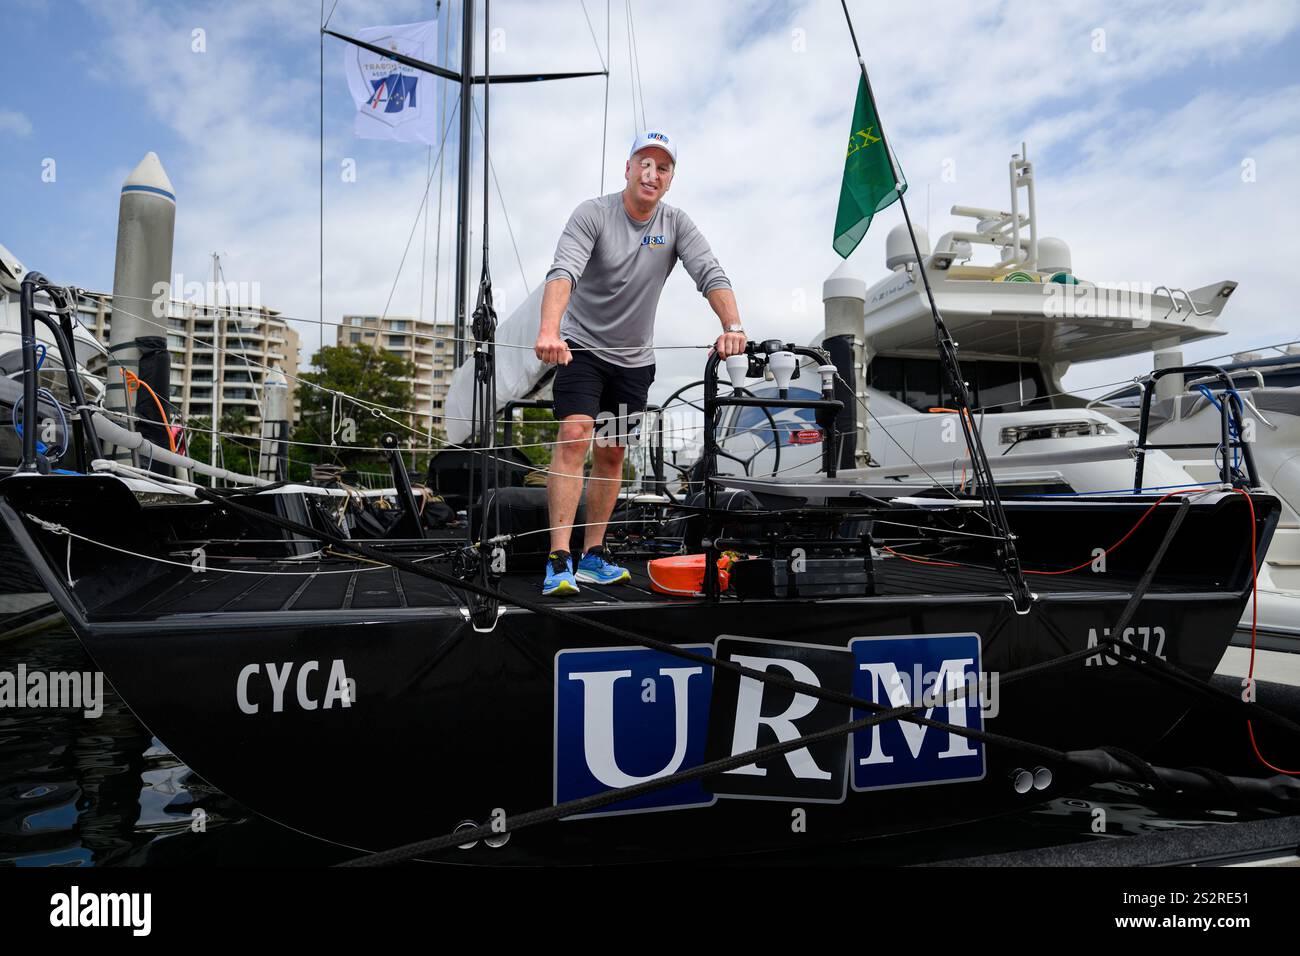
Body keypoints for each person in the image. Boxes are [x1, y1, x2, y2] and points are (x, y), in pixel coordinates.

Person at [535, 130, 747, 595]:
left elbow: (709, 273)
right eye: (644, 163)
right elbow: (563, 271)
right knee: (575, 434)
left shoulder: (676, 223)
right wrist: (549, 331)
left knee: (611, 452)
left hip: (633, 361)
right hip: (582, 347)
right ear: (628, 169)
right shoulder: (592, 214)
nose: (652, 174)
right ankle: (558, 559)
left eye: (663, 167)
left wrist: (733, 326)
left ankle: (592, 556)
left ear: (670, 180)